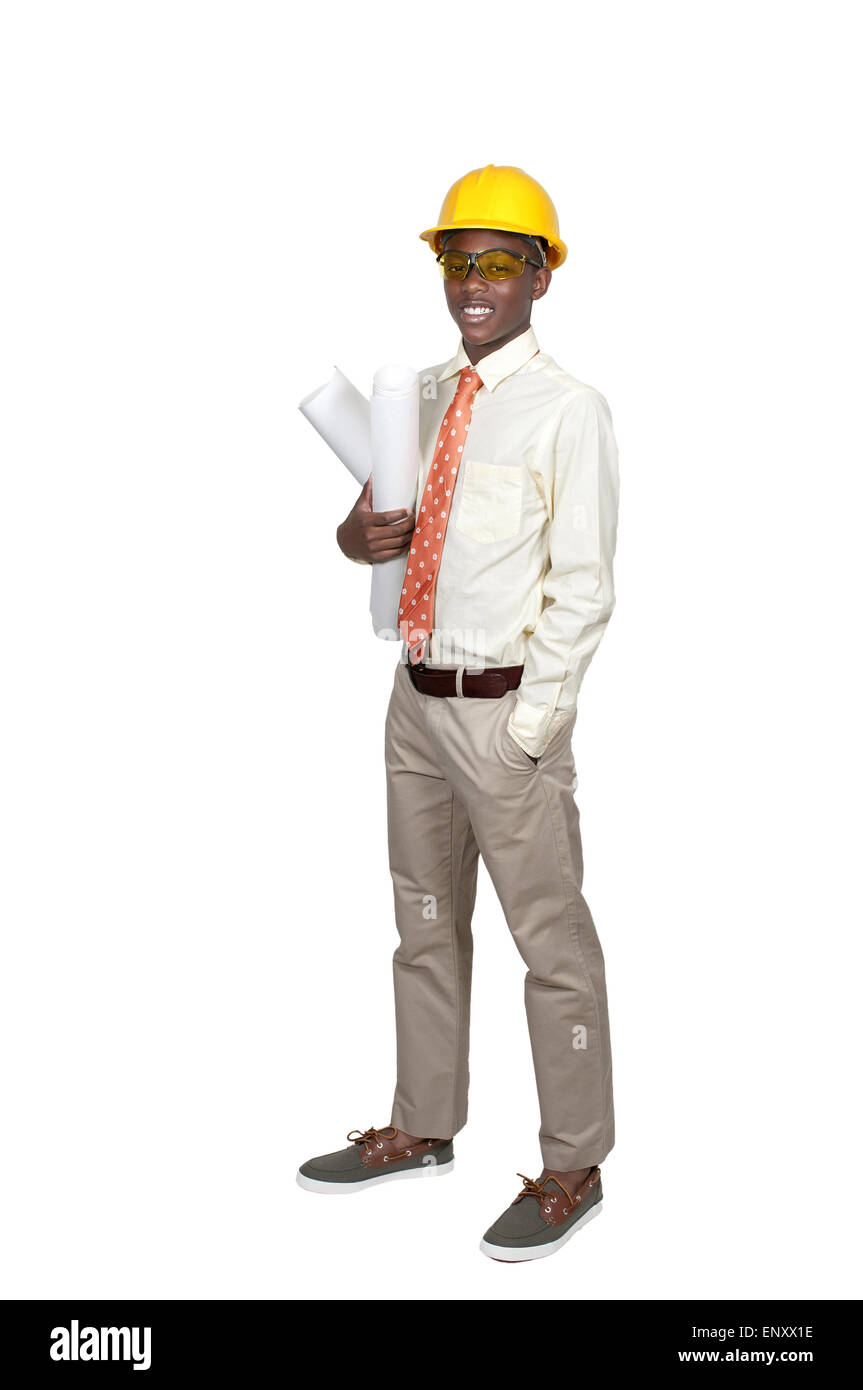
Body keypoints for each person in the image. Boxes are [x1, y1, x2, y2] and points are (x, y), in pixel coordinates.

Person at [297, 164, 620, 1262]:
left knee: (552, 947)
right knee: (422, 929)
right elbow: (370, 524)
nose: (472, 283)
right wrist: (356, 542)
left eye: (497, 263)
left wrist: (530, 732)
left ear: (539, 275)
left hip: (501, 719)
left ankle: (572, 1162)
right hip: (413, 707)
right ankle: (422, 1124)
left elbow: (582, 585)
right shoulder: (422, 395)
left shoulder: (567, 410)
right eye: (456, 261)